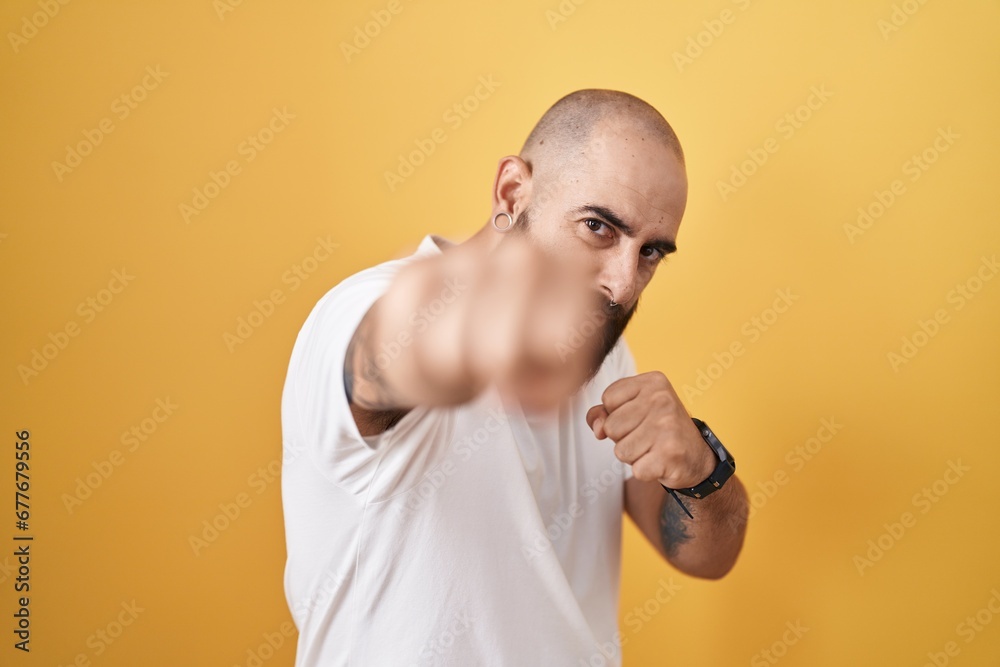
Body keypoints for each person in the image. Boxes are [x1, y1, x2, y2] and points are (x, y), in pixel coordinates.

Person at [280, 89, 749, 666]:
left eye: (650, 252)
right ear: (512, 192)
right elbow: (381, 367)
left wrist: (702, 469)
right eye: (598, 227)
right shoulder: (357, 309)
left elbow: (708, 559)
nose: (623, 285)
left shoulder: (605, 353)